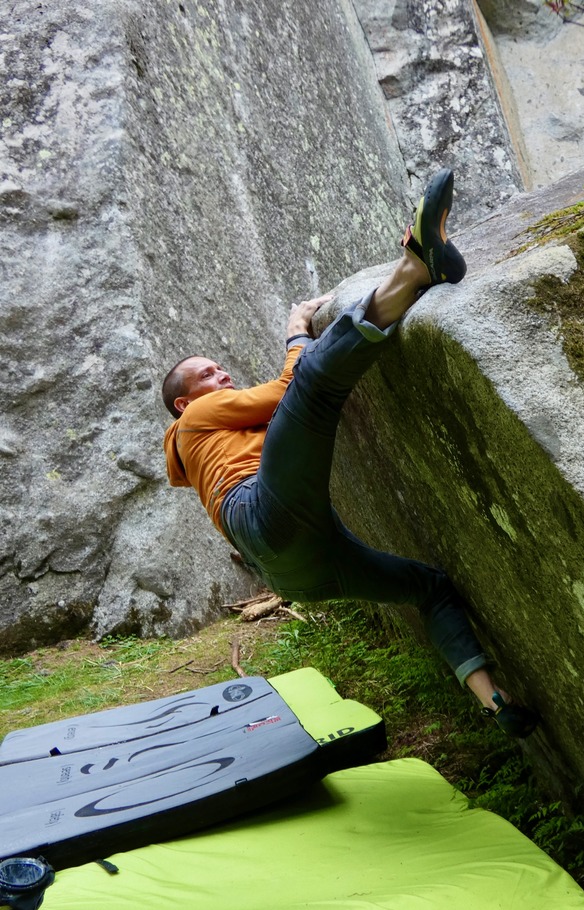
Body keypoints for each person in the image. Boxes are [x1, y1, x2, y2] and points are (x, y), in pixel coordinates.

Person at [162, 170, 536, 738]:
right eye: (208, 374)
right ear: (185, 400)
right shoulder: (195, 418)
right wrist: (295, 330)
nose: (222, 373)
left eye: (219, 366)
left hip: (296, 570)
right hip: (262, 513)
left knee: (427, 586)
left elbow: (279, 411)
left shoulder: (208, 440)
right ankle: (414, 267)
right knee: (315, 385)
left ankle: (494, 701)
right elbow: (294, 389)